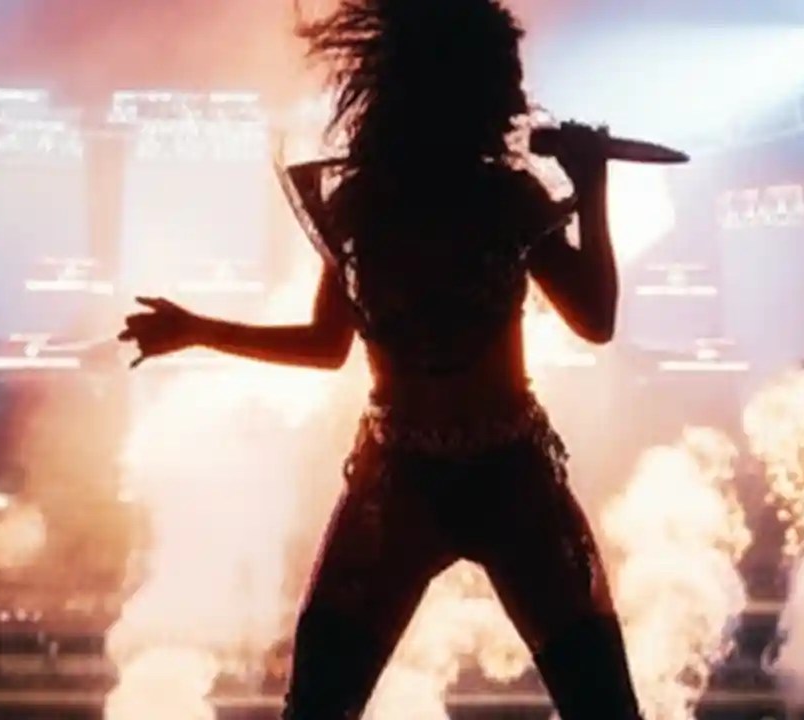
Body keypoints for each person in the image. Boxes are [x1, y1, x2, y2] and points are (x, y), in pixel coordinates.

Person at [118, 0, 642, 717]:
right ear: (463, 87)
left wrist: (592, 193)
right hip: (407, 485)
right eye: (507, 80)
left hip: (487, 479)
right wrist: (592, 189)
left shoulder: (447, 200)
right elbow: (331, 345)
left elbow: (594, 321)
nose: (520, 99)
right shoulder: (433, 202)